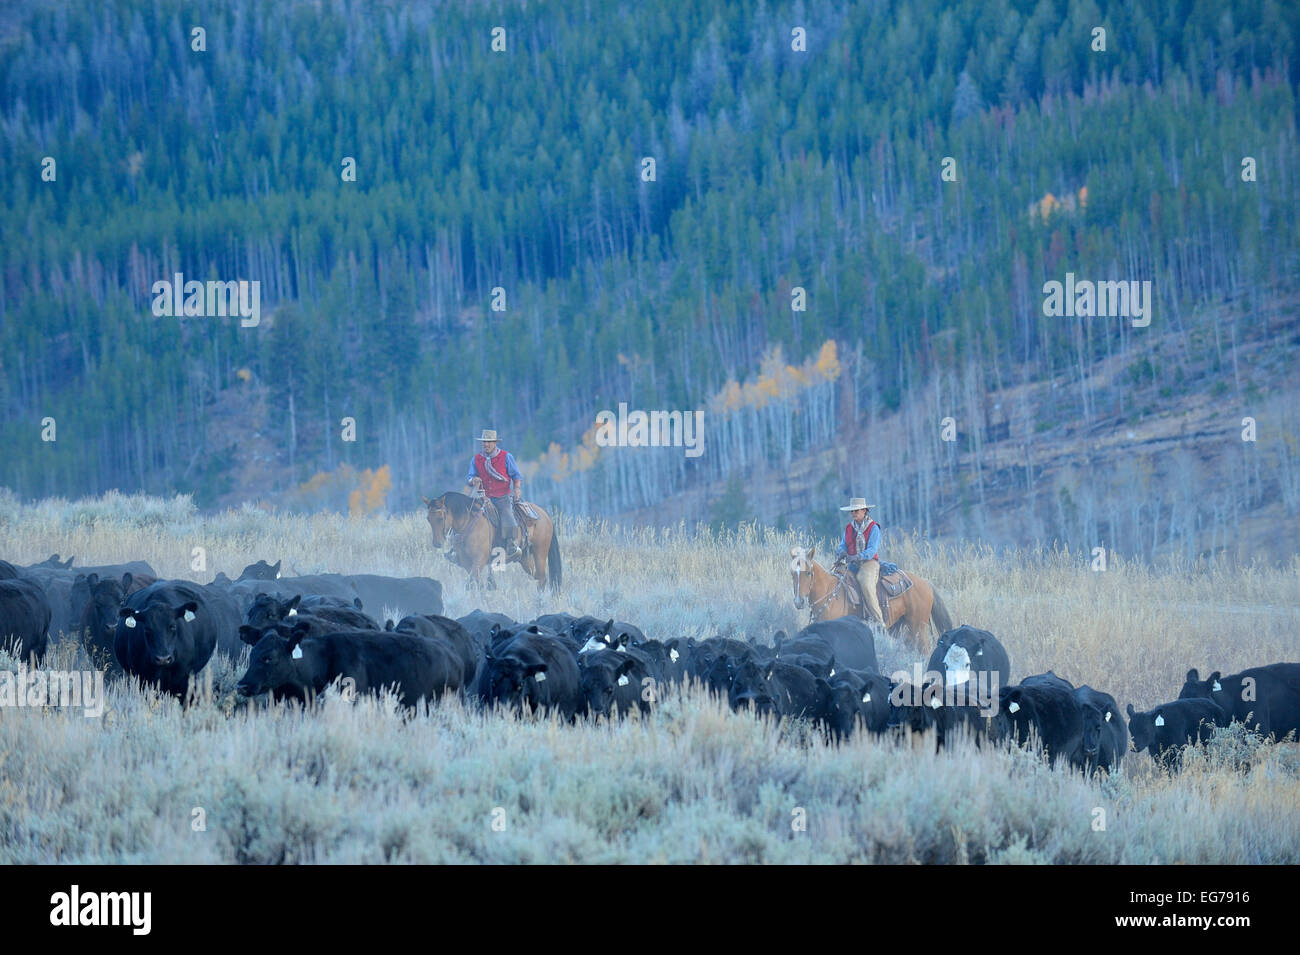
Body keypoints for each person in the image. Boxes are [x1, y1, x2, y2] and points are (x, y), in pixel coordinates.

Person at [467, 429, 524, 561]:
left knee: (507, 516)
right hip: (482, 497)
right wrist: (473, 480)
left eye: (489, 442)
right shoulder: (476, 459)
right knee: (465, 515)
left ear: (495, 443)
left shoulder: (506, 456)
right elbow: (469, 477)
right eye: (484, 442)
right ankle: (457, 546)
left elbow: (516, 475)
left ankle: (511, 545)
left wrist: (517, 488)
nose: (486, 444)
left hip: (501, 498)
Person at [834, 497, 885, 625]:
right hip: (852, 563)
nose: (853, 514)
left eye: (856, 511)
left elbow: (872, 550)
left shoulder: (874, 527)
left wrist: (857, 556)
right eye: (852, 511)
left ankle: (879, 621)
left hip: (869, 563)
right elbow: (843, 545)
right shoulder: (849, 528)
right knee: (836, 578)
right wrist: (841, 552)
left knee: (865, 582)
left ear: (864, 510)